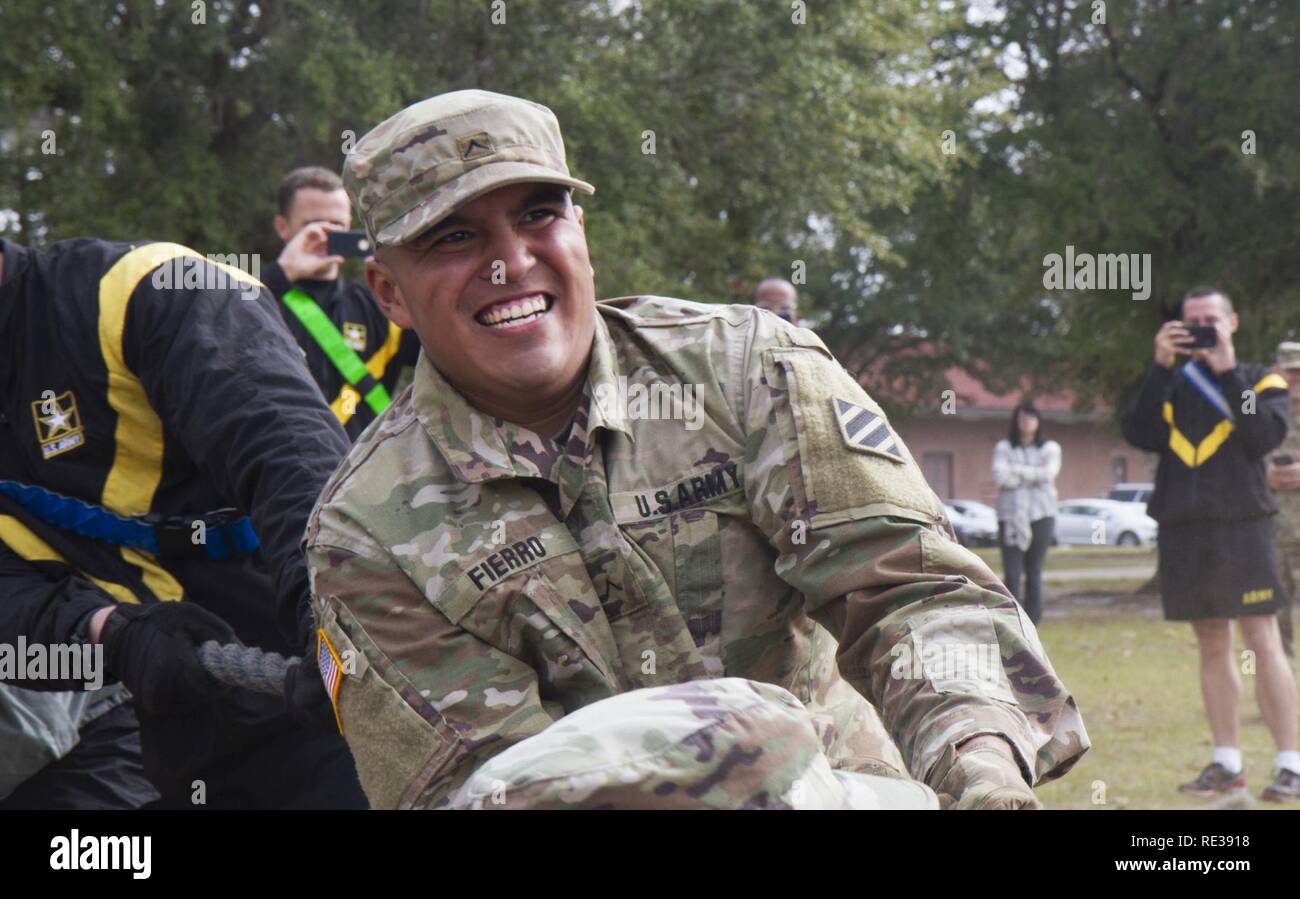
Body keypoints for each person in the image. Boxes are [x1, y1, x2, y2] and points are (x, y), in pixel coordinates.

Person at [304, 89, 1088, 810]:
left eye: (540, 214)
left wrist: (979, 768)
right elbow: (483, 785)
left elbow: (911, 592)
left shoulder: (747, 371)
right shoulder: (370, 529)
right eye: (454, 236)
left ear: (582, 233)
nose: (510, 260)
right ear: (389, 291)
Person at [0, 235, 367, 809]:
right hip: (174, 710)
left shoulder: (146, 288)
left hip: (328, 677)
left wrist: (332, 621)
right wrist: (110, 635)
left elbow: (287, 452)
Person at [1122, 286, 1299, 802]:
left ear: (1233, 323)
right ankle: (1227, 763)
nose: (1199, 327)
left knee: (1262, 640)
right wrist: (1158, 366)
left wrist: (1225, 370)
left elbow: (1262, 435)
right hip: (1185, 526)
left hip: (1243, 525)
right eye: (1190, 320)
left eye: (1210, 319)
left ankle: (1289, 764)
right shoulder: (1171, 383)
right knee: (1212, 641)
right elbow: (1140, 432)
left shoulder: (1259, 380)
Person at [264, 166, 420, 441]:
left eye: (338, 226)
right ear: (282, 227)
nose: (328, 235)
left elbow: (454, 350)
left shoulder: (381, 304)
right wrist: (281, 274)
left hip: (360, 473)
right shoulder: (257, 297)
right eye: (315, 225)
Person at [991, 401, 1060, 625]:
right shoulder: (1004, 448)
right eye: (1022, 418)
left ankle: (1032, 622)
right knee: (1012, 572)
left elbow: (1048, 475)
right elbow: (1000, 478)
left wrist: (1017, 473)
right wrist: (1033, 475)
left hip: (1041, 514)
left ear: (1038, 421)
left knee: (1034, 571)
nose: (1026, 422)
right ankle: (1012, 620)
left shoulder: (1050, 448)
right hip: (1010, 517)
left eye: (1031, 417)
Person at [1267, 340, 1300, 664]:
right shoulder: (1261, 416)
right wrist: (1265, 475)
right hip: (1274, 533)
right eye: (1291, 372)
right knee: (1276, 618)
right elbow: (1238, 465)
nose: (1296, 380)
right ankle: (1284, 698)